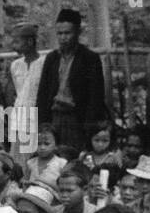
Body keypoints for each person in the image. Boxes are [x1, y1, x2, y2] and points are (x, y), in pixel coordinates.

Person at [36, 9, 108, 152]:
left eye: (67, 33)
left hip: (76, 118)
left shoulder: (89, 59)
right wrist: (42, 123)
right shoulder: (52, 58)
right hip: (54, 116)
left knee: (74, 157)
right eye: (60, 33)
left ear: (77, 32)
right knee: (52, 158)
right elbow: (43, 93)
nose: (63, 38)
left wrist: (89, 125)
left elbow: (95, 96)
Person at [6, 21, 45, 157]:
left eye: (17, 41)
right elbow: (12, 93)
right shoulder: (15, 65)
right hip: (19, 115)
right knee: (17, 154)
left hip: (37, 115)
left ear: (29, 41)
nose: (14, 45)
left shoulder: (44, 63)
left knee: (34, 154)